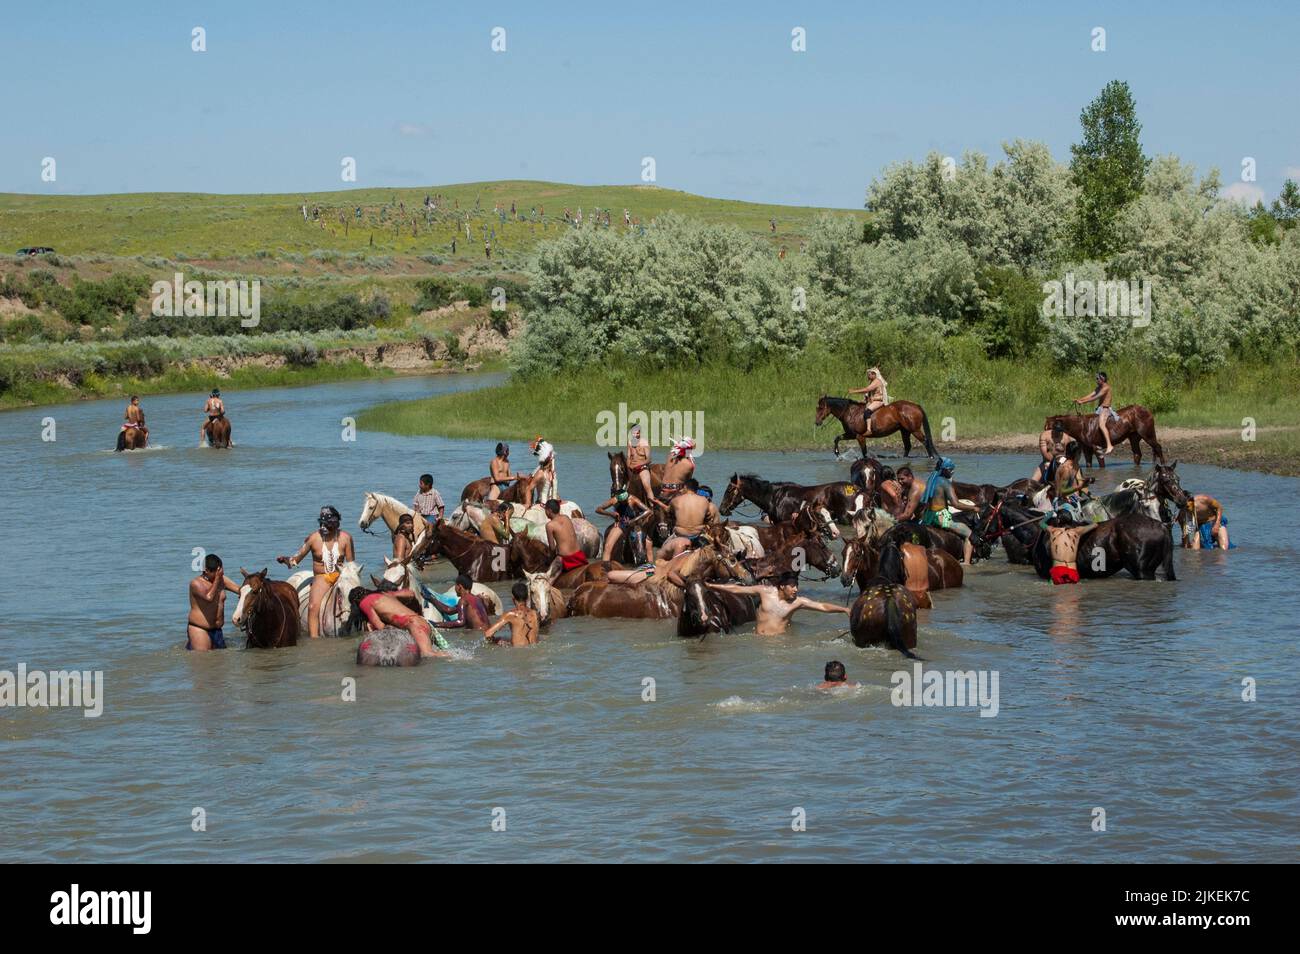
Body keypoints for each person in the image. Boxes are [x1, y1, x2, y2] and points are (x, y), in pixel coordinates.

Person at [276, 506, 356, 639]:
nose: (327, 527)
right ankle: (314, 638)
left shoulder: (346, 538)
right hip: (322, 578)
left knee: (358, 602)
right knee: (313, 607)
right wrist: (286, 560)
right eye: (325, 524)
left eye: (332, 524)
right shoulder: (313, 538)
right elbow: (296, 559)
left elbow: (351, 565)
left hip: (341, 577)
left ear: (337, 523)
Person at [706, 573, 849, 636]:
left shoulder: (798, 602)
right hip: (757, 640)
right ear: (782, 586)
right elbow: (737, 589)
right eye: (792, 586)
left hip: (779, 643)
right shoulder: (764, 591)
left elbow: (822, 607)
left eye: (796, 586)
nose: (796, 589)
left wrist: (844, 609)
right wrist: (712, 586)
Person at [349, 584, 449, 658]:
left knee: (427, 654)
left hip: (415, 625)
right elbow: (410, 593)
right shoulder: (384, 594)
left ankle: (453, 658)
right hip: (421, 622)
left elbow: (379, 626)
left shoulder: (364, 603)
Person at [919, 458, 978, 565]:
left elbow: (937, 499)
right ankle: (966, 563)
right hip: (941, 516)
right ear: (945, 470)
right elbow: (956, 504)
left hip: (928, 515)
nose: (952, 471)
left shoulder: (932, 479)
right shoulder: (945, 483)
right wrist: (973, 508)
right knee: (969, 534)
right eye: (951, 469)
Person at [187, 553, 241, 651]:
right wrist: (217, 580)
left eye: (220, 572)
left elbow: (240, 590)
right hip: (199, 628)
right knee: (204, 658)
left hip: (217, 630)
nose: (220, 575)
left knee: (219, 659)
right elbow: (209, 597)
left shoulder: (222, 580)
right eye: (216, 573)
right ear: (206, 570)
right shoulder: (196, 583)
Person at [657, 477, 718, 560]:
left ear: (685, 487)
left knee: (660, 554)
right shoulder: (705, 501)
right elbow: (708, 518)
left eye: (682, 488)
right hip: (698, 537)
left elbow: (668, 512)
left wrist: (658, 502)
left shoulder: (676, 500)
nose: (681, 490)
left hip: (680, 536)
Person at [596, 488, 653, 562]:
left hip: (635, 524)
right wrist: (611, 514)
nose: (623, 502)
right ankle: (605, 565)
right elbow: (598, 509)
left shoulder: (633, 499)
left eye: (625, 501)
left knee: (648, 544)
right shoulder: (614, 500)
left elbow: (648, 511)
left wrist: (634, 520)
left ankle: (650, 566)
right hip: (621, 523)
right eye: (621, 501)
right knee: (608, 545)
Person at [1040, 511, 1091, 584]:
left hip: (1058, 571)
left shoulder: (1052, 530)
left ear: (1058, 520)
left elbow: (1041, 523)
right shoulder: (1078, 531)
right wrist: (1085, 520)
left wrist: (1048, 516)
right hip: (1073, 572)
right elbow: (1095, 525)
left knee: (1050, 586)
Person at [483, 582, 541, 647]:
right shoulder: (535, 614)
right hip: (534, 651)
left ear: (513, 598)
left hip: (518, 652)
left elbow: (487, 634)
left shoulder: (510, 615)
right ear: (527, 597)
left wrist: (496, 641)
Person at [1074, 371, 1118, 456]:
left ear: (1102, 379)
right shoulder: (1099, 387)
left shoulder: (1106, 387)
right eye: (1096, 379)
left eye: (1097, 379)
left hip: (1105, 409)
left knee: (1101, 425)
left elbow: (1095, 397)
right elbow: (1090, 395)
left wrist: (1083, 402)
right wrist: (1080, 399)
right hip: (1100, 409)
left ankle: (1109, 445)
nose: (1096, 380)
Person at [544, 499, 587, 573]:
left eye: (545, 510)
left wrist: (551, 560)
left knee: (547, 577)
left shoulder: (549, 525)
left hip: (567, 559)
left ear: (549, 511)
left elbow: (552, 548)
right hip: (579, 556)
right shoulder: (566, 518)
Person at [847, 367, 890, 434]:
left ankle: (869, 429)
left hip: (879, 400)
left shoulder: (877, 381)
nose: (868, 376)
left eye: (869, 374)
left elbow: (867, 389)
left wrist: (854, 391)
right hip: (873, 400)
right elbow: (869, 393)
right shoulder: (872, 382)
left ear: (874, 374)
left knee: (867, 411)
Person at [657, 438, 696, 503]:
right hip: (676, 491)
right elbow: (688, 482)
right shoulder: (689, 465)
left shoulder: (670, 457)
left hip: (663, 488)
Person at [627, 424, 655, 502]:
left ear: (639, 432)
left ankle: (652, 503)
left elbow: (649, 459)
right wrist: (628, 465)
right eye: (633, 433)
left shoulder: (644, 443)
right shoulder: (630, 442)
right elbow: (628, 456)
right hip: (631, 467)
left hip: (642, 467)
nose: (635, 435)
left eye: (637, 433)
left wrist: (639, 464)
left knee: (646, 485)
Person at [529, 435, 558, 505]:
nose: (553, 459)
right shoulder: (540, 473)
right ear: (549, 460)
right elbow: (530, 489)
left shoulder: (552, 472)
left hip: (553, 503)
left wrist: (557, 498)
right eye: (551, 458)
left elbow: (553, 490)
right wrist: (529, 503)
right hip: (542, 504)